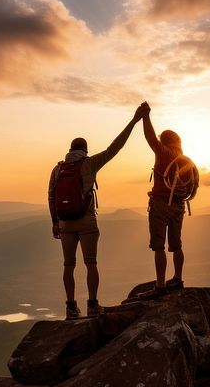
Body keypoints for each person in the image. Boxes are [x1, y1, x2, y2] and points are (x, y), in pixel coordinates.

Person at [48, 104, 146, 319]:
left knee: (68, 265)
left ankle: (70, 308)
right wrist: (134, 120)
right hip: (86, 222)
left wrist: (55, 222)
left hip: (64, 223)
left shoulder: (58, 169)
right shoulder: (90, 164)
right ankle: (93, 305)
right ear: (84, 151)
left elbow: (51, 196)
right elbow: (115, 148)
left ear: (69, 150)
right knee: (90, 263)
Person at [139, 102, 195, 296]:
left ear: (165, 141)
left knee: (158, 246)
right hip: (179, 205)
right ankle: (178, 279)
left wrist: (145, 116)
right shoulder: (185, 159)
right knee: (177, 244)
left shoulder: (164, 152)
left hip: (161, 204)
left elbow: (150, 137)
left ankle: (160, 285)